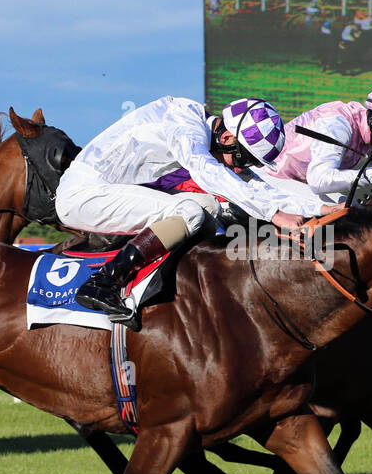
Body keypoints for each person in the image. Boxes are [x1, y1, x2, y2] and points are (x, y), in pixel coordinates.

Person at [56, 96, 329, 323]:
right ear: (226, 136)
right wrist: (275, 215)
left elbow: (261, 189)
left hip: (109, 190)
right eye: (241, 159)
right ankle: (105, 282)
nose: (238, 169)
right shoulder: (184, 121)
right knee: (191, 212)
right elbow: (206, 171)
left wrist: (325, 207)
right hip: (83, 194)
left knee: (210, 207)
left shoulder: (209, 133)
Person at [273, 79, 372, 205]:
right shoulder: (338, 126)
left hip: (299, 183)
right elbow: (319, 180)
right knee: (354, 214)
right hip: (273, 179)